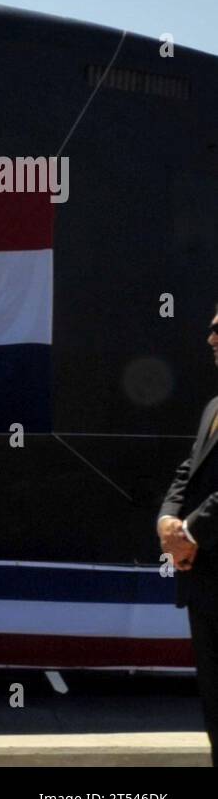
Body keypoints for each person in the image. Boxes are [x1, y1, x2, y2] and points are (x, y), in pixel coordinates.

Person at [157, 305, 218, 766]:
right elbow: (187, 471)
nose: (211, 339)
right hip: (204, 583)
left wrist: (190, 533)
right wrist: (168, 522)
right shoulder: (214, 408)